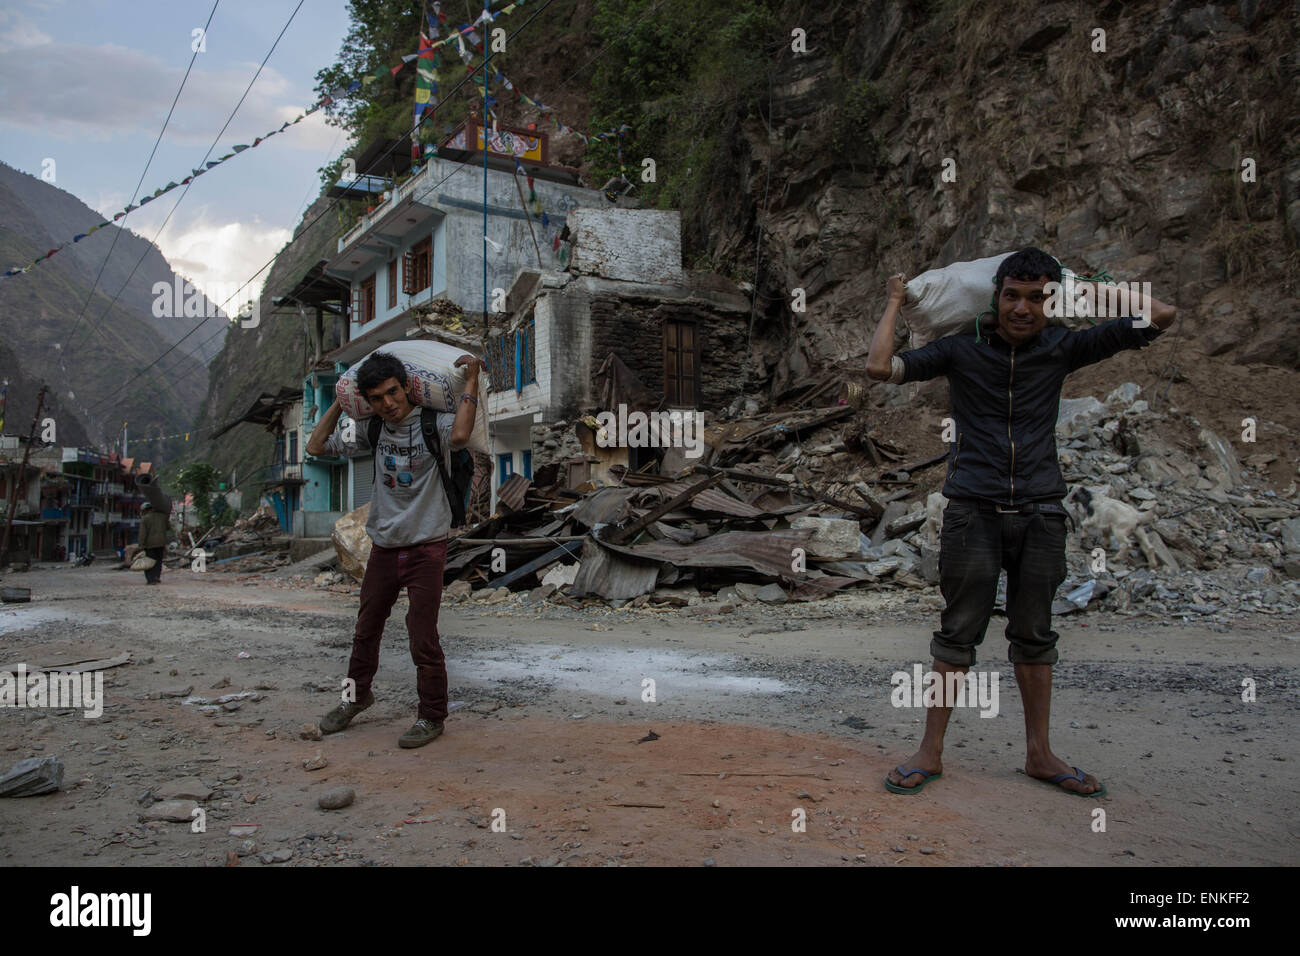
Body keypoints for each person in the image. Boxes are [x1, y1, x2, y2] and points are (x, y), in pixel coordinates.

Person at [866, 247, 1176, 797]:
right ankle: (929, 751)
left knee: (1035, 637)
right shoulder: (961, 351)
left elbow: (1162, 314)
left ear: (1053, 303)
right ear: (996, 298)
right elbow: (880, 368)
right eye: (1012, 295)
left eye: (1037, 298)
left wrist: (1085, 289)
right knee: (957, 634)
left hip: (1040, 511)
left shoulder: (1064, 348)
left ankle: (1040, 754)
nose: (1023, 308)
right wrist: (894, 301)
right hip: (972, 511)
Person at [305, 349, 483, 749]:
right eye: (375, 398)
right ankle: (356, 697)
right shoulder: (372, 431)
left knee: (422, 635)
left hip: (426, 547)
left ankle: (432, 716)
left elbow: (460, 435)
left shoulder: (432, 424)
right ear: (366, 402)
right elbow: (316, 446)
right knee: (365, 630)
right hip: (383, 547)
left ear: (407, 388)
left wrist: (471, 380)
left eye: (392, 392)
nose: (387, 403)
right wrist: (340, 398)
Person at [138, 501, 169, 585]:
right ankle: (156, 577)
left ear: (144, 510)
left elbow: (142, 533)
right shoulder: (162, 517)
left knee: (149, 561)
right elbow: (168, 527)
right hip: (161, 543)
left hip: (150, 544)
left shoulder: (145, 519)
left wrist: (141, 545)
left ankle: (150, 579)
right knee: (158, 561)